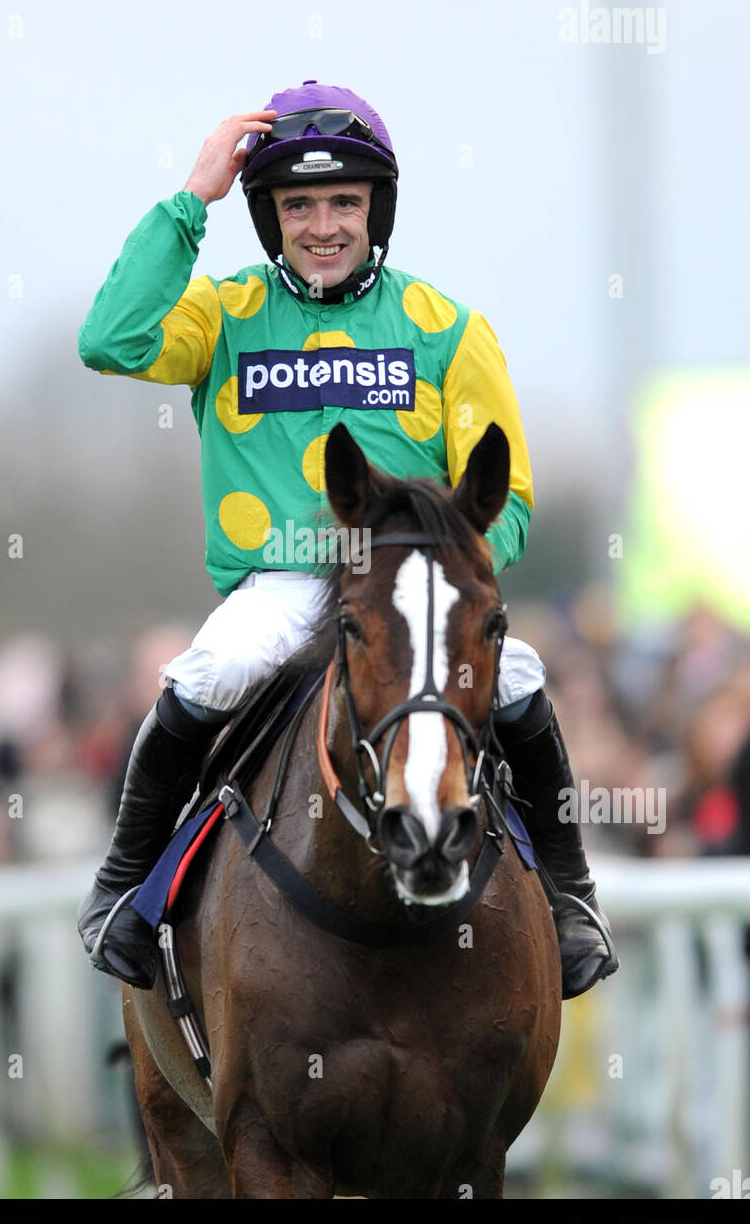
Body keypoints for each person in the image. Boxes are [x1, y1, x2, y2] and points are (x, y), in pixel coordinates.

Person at [76, 80, 618, 1001]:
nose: (323, 225)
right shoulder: (222, 314)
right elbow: (111, 340)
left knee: (519, 675)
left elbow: (508, 496)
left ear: (377, 209)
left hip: (411, 583)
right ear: (269, 215)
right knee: (208, 672)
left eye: (343, 202)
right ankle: (123, 886)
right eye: (298, 205)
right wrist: (191, 200)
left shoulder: (448, 330)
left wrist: (450, 564)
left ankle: (570, 897)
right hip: (283, 586)